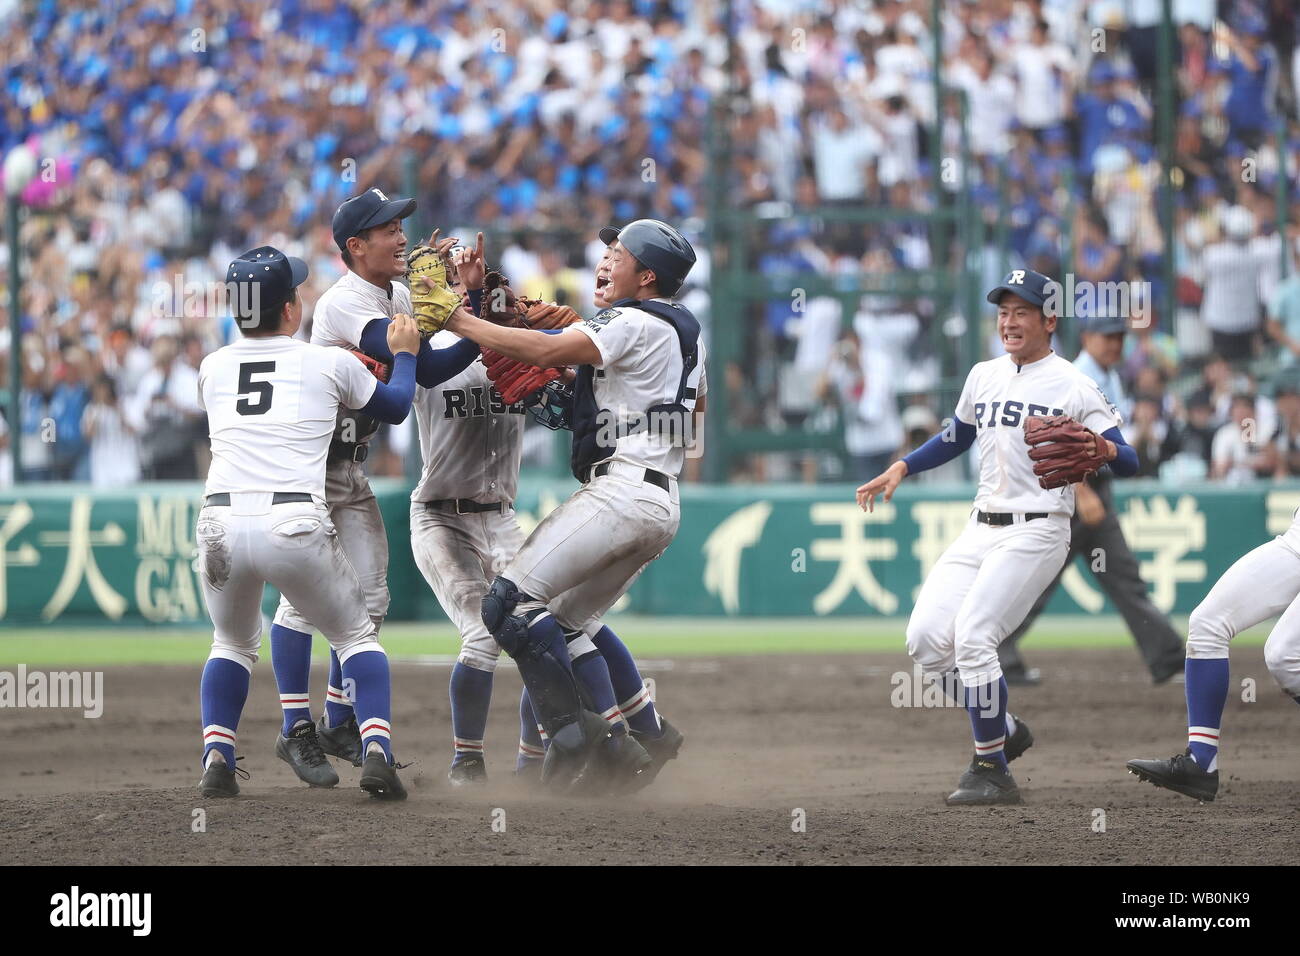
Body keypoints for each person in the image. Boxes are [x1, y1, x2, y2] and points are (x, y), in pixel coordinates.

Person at [426, 219, 706, 791]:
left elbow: (542, 346)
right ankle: (640, 743)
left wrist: (458, 317)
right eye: (604, 249)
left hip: (622, 489)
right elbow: (689, 409)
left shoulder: (632, 319)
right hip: (660, 499)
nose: (604, 259)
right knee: (568, 622)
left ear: (647, 276)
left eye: (618, 254)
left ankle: (579, 738)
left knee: (507, 607)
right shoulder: (685, 330)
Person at [856, 268, 1138, 806]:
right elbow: (956, 434)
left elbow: (1128, 458)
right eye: (1004, 312)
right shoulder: (984, 374)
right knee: (926, 642)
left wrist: (1103, 452)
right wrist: (903, 467)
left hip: (1039, 528)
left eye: (1022, 311)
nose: (1009, 321)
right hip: (980, 525)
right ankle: (1004, 728)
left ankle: (992, 766)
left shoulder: (1075, 384)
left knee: (974, 637)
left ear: (1049, 319)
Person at [265, 188, 480, 786]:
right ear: (356, 246)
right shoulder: (340, 303)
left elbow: (429, 365)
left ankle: (337, 718)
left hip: (348, 464)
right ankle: (294, 727)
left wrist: (476, 322)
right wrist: (465, 315)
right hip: (308, 465)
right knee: (302, 602)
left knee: (372, 597)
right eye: (389, 228)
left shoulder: (400, 292)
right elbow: (400, 359)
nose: (403, 236)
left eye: (402, 224)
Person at [195, 245, 421, 801]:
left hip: (219, 522)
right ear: (291, 310)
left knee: (230, 644)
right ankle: (376, 751)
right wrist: (406, 353)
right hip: (293, 519)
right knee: (356, 635)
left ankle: (218, 758)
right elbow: (394, 407)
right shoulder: (328, 362)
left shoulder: (212, 367)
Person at [997, 314, 1185, 686]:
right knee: (1039, 578)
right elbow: (1060, 441)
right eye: (1106, 337)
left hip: (1093, 488)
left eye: (1118, 337)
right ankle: (994, 654)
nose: (1114, 344)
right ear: (1087, 338)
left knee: (1120, 578)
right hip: (1072, 490)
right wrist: (1080, 491)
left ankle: (1169, 661)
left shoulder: (1108, 373)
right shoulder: (1077, 375)